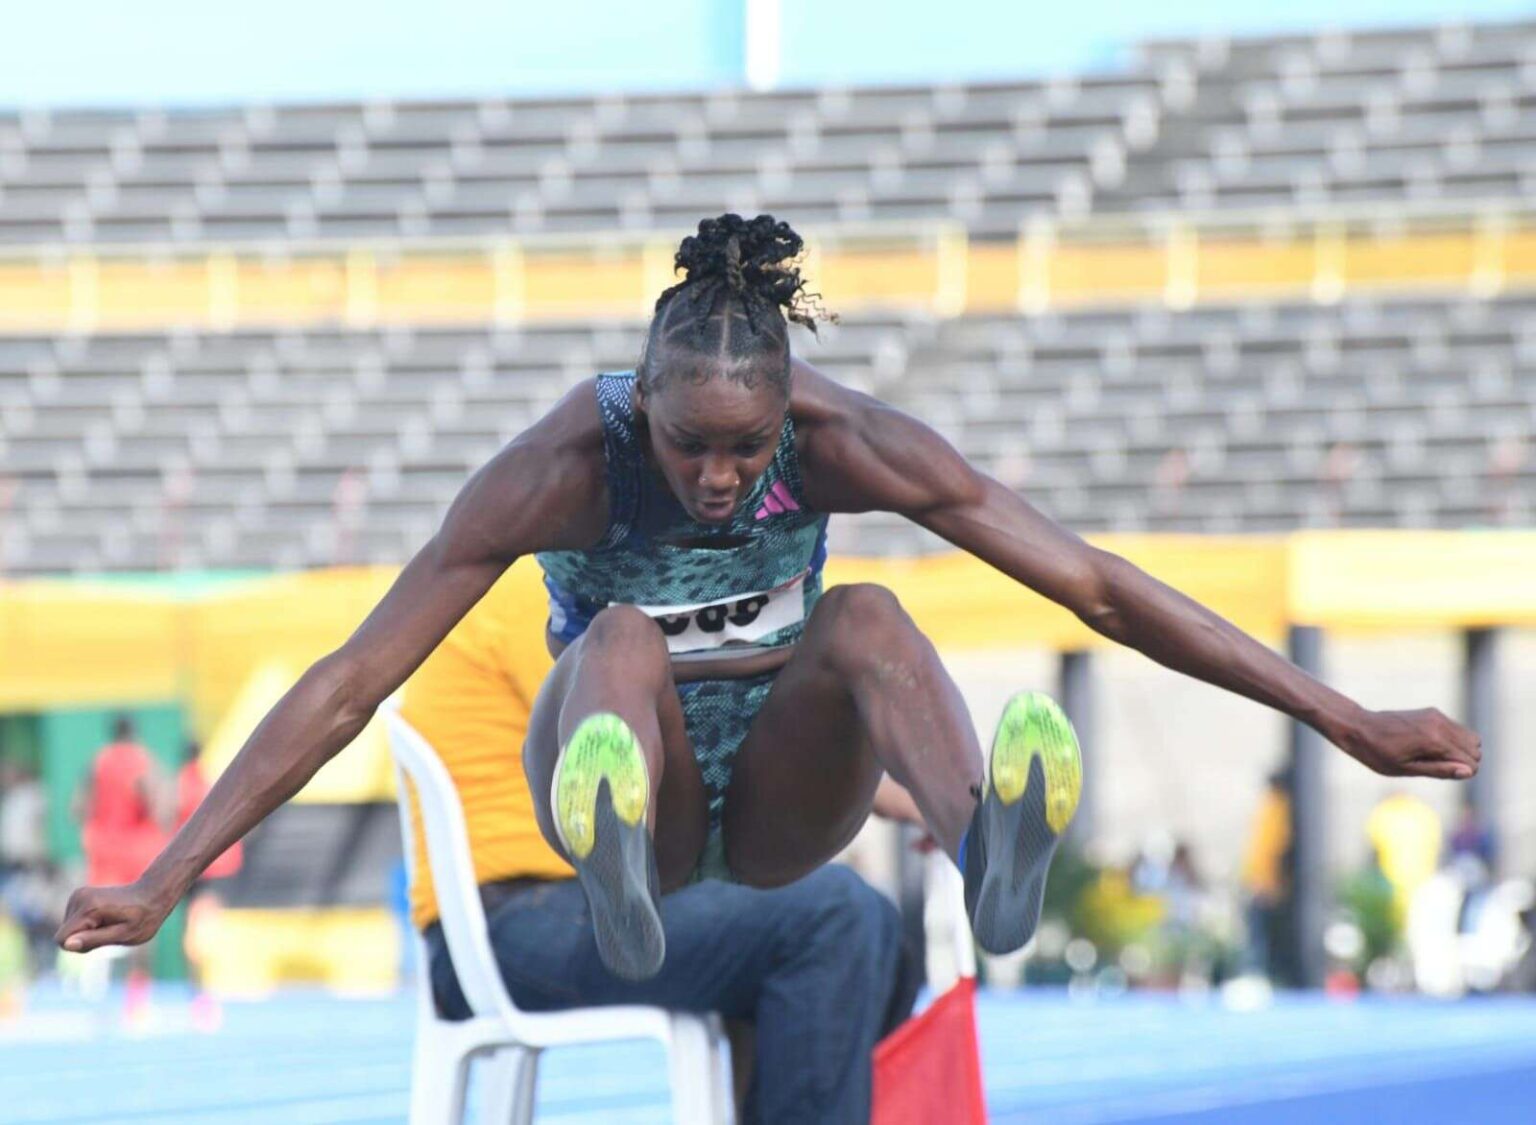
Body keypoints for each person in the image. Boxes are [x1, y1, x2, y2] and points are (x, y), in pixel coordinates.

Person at [58, 212, 1480, 990]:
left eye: (750, 448)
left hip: (788, 798)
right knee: (619, 634)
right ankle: (618, 868)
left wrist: (1340, 717)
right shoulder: (563, 467)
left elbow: (1097, 587)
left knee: (866, 617)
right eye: (692, 447)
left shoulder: (843, 443)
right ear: (644, 404)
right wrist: (167, 875)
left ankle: (988, 855)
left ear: (791, 412)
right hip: (631, 783)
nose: (723, 477)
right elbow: (351, 682)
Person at [402, 557, 919, 1121]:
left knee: (872, 934)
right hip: (516, 927)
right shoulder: (539, 599)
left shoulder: (539, 588)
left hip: (535, 916)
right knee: (835, 914)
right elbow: (670, 754)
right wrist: (906, 796)